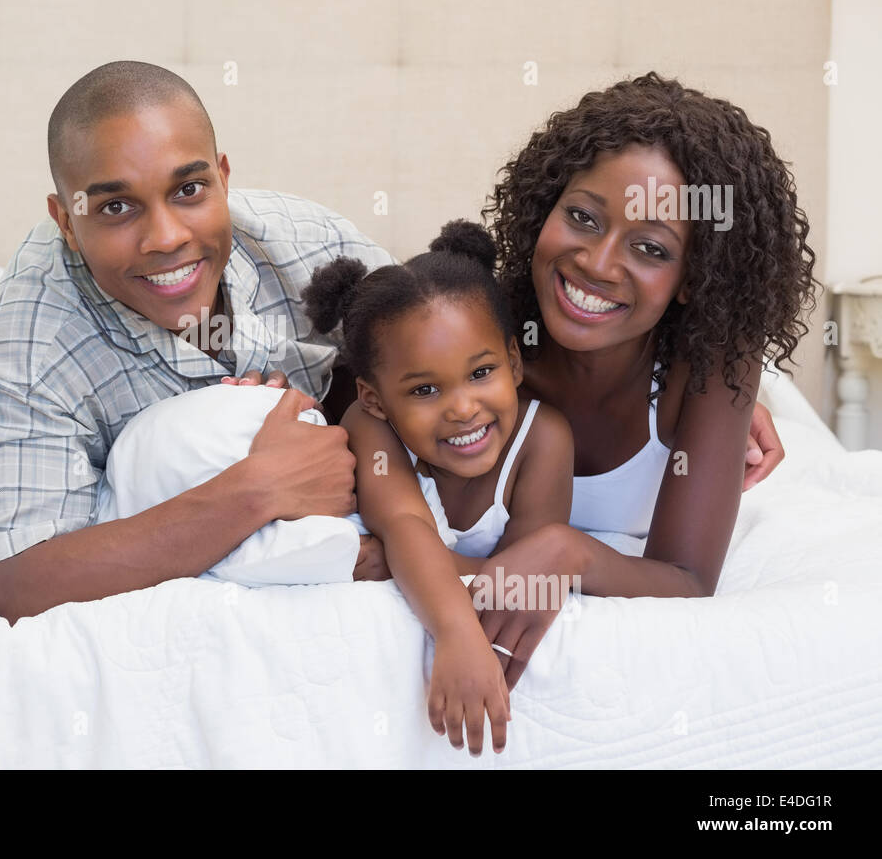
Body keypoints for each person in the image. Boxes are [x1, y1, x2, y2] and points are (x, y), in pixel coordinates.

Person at [346, 73, 818, 688]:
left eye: (650, 248)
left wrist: (569, 553)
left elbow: (689, 579)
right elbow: (368, 389)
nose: (597, 264)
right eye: (583, 217)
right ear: (547, 206)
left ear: (695, 277)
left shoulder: (712, 369)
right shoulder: (482, 338)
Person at [0, 61, 398, 623]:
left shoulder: (309, 245)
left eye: (189, 190)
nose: (167, 238)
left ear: (223, 177)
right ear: (66, 221)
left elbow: (450, 370)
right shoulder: (28, 344)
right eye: (116, 207)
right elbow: (7, 586)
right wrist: (257, 489)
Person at [304, 220, 575, 755]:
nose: (462, 407)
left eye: (481, 373)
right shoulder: (370, 426)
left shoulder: (543, 440)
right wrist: (455, 632)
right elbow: (405, 524)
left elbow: (522, 584)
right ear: (376, 398)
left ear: (514, 362)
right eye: (425, 389)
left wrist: (403, 563)